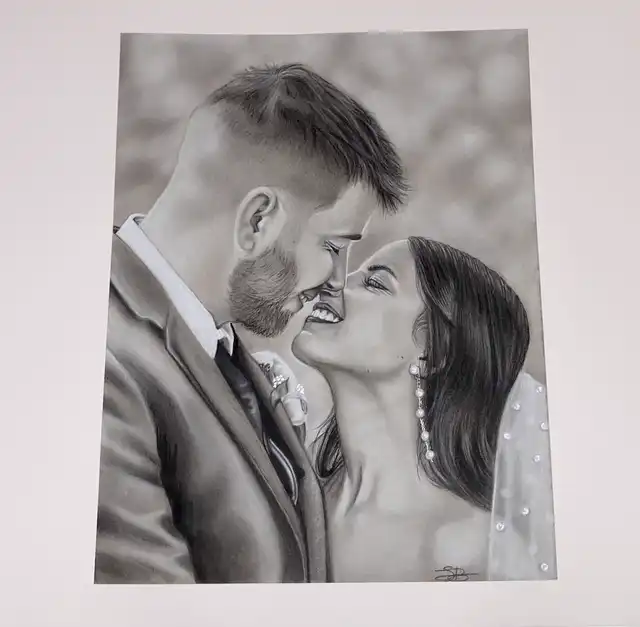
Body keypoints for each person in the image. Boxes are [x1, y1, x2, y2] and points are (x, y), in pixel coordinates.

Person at [94, 63, 408, 584]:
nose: (337, 283)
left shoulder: (217, 347)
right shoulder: (106, 365)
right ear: (258, 220)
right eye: (333, 248)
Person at [290, 236, 556, 582]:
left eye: (374, 283)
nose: (333, 282)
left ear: (433, 349)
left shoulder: (473, 549)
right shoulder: (288, 492)